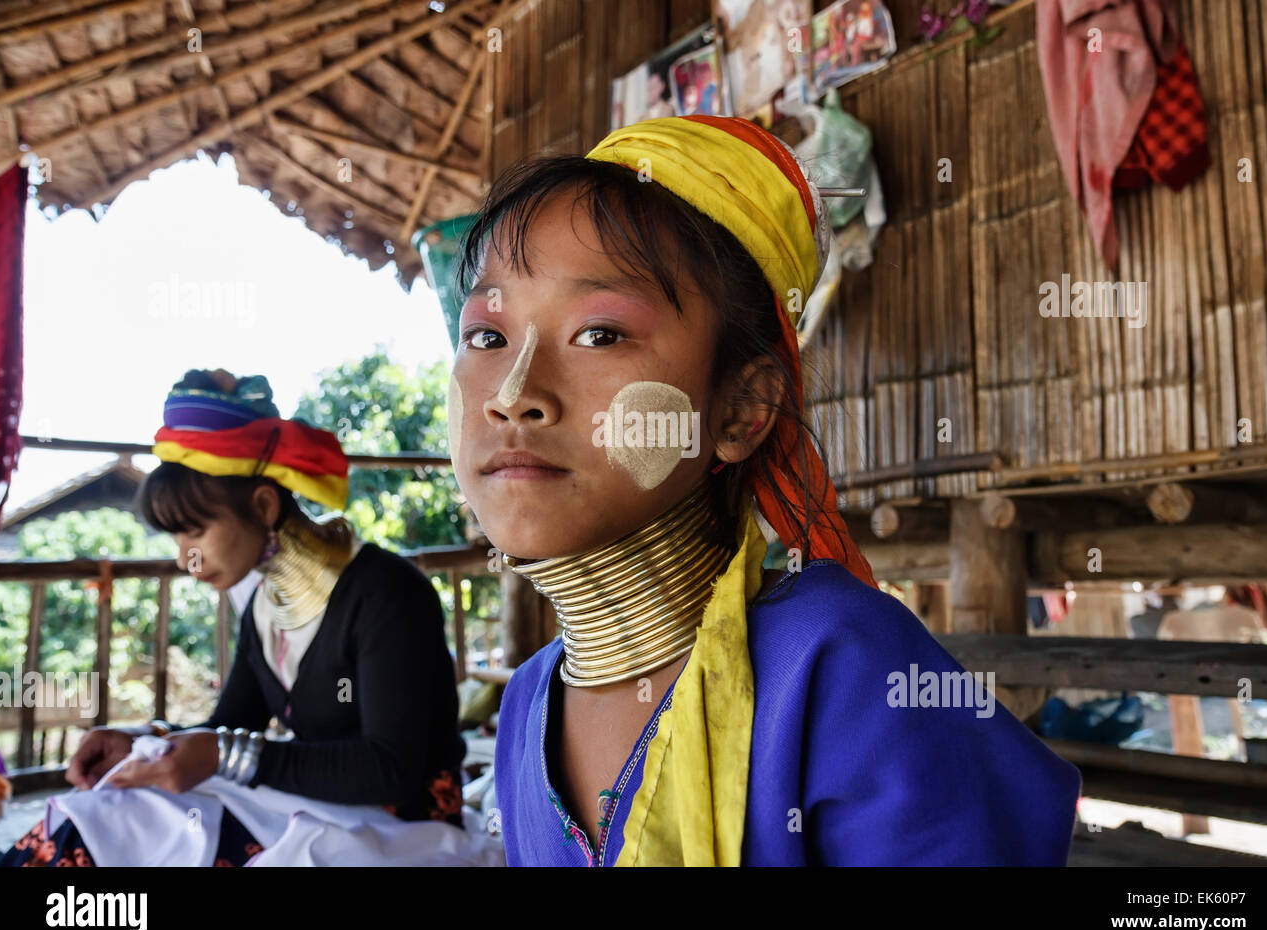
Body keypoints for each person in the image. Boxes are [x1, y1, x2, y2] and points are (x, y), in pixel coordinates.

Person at [446, 115, 1082, 866]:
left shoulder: (844, 668)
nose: (514, 395)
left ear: (742, 410)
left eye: (600, 334)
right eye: (488, 337)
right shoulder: (525, 706)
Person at [0, 369, 494, 866]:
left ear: (262, 505)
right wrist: (142, 739)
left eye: (193, 532)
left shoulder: (385, 592)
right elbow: (232, 724)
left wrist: (221, 755)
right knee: (111, 814)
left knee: (130, 833)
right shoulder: (263, 605)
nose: (182, 558)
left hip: (405, 825)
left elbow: (392, 767)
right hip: (323, 808)